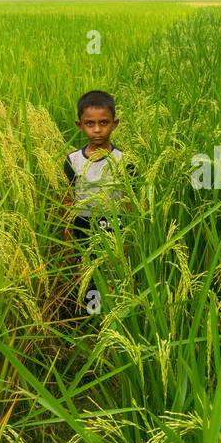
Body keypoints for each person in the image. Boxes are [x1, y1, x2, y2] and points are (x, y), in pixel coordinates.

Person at [62, 90, 133, 317]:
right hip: (83, 225)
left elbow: (129, 200)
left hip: (114, 225)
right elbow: (68, 197)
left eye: (103, 123)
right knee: (87, 272)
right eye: (89, 123)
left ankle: (112, 313)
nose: (97, 129)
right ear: (79, 125)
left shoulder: (123, 161)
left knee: (113, 272)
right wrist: (67, 231)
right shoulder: (72, 160)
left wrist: (130, 233)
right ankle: (91, 315)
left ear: (115, 124)